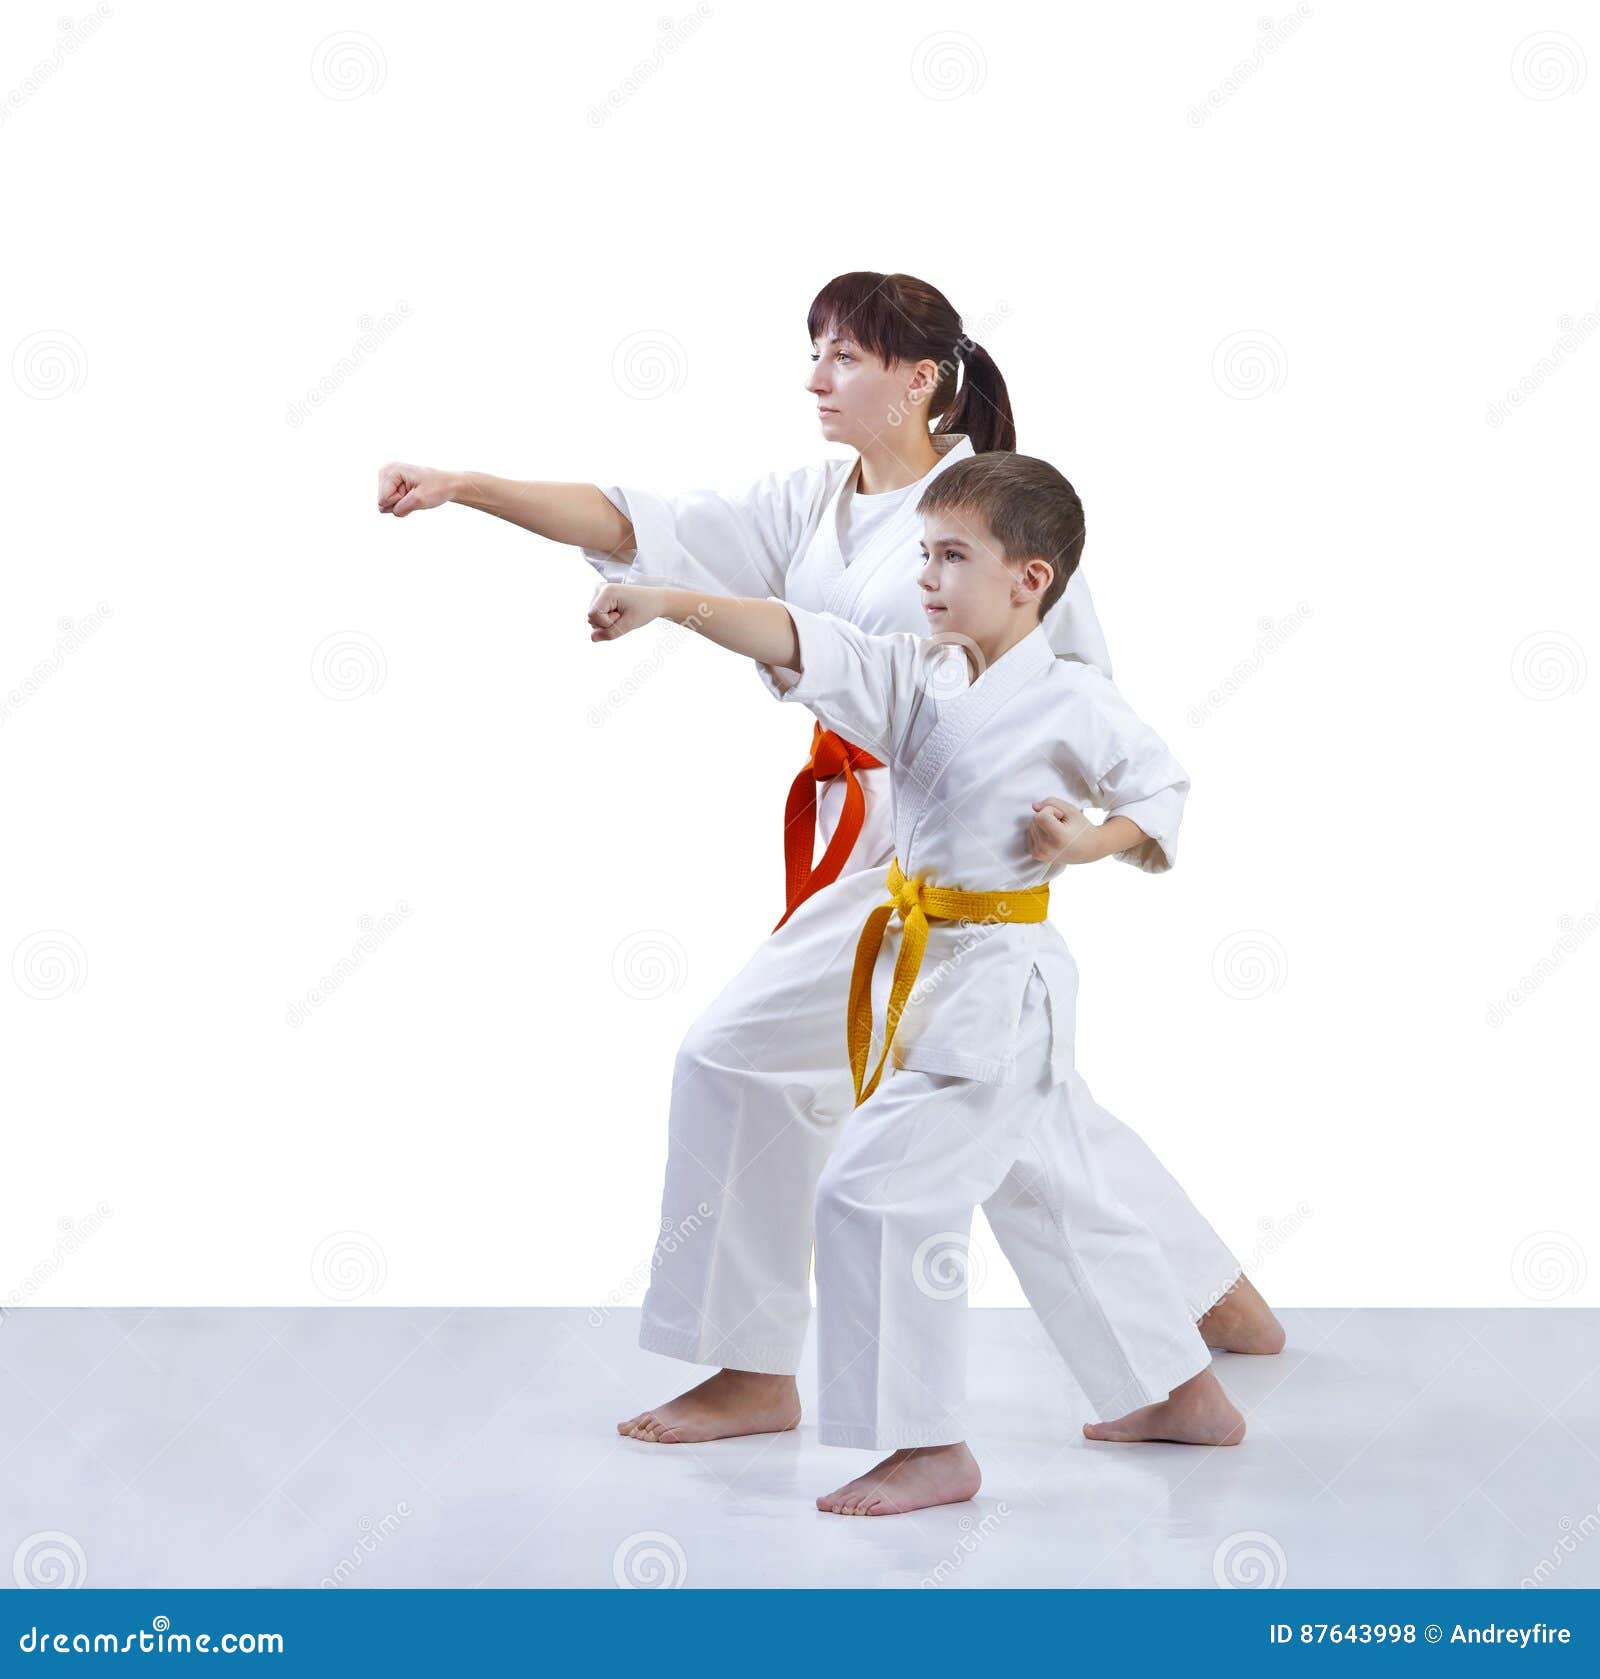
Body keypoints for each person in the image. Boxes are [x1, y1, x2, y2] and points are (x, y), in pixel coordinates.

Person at [377, 272, 1281, 1449]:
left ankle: (1174, 1346)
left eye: (845, 356)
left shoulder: (998, 519)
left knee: (993, 1105)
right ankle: (1190, 1320)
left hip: (962, 849)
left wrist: (1063, 839)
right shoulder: (808, 504)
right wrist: (470, 488)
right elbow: (637, 522)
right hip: (868, 833)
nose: (816, 379)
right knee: (979, 1100)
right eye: (814, 352)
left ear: (918, 380)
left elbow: (1077, 710)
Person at [585, 452, 1246, 1516]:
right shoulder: (917, 675)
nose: (926, 578)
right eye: (920, 554)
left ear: (1031, 578)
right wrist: (666, 601)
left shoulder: (1075, 702)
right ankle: (1182, 1393)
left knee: (872, 1191)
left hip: (997, 992)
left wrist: (1089, 841)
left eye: (950, 557)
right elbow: (802, 638)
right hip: (915, 967)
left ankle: (929, 1444)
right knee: (1054, 1196)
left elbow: (1161, 789)